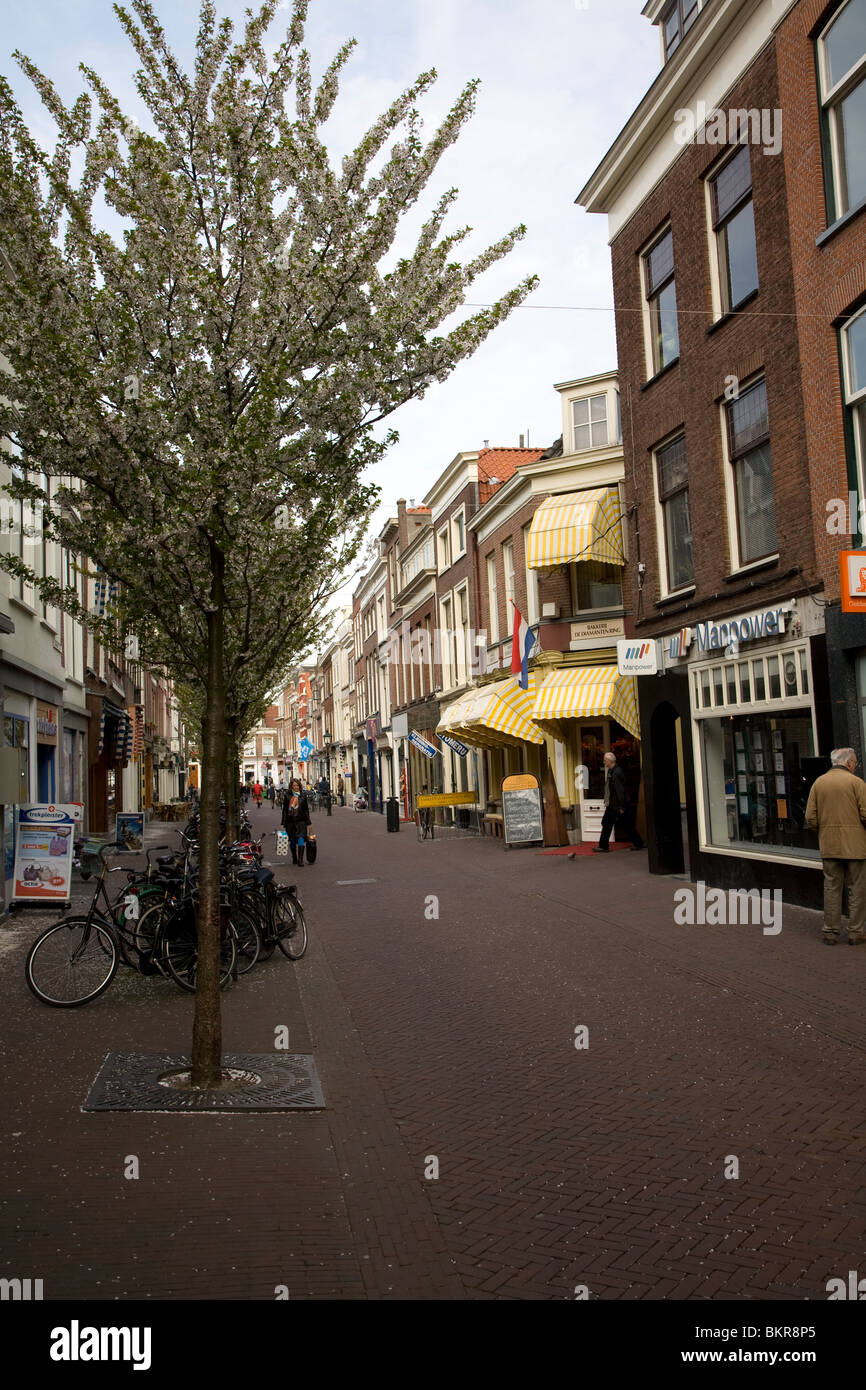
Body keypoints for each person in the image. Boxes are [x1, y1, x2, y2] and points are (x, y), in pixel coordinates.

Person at [804, 747, 866, 945]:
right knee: (857, 888)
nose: (855, 766)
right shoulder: (857, 783)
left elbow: (810, 817)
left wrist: (823, 833)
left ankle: (830, 932)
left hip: (829, 845)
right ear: (848, 763)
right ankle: (856, 932)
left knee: (831, 887)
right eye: (855, 763)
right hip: (856, 846)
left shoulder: (819, 783)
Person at [593, 751, 644, 852]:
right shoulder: (612, 771)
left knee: (610, 823)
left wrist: (622, 807)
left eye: (605, 760)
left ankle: (603, 846)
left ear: (610, 761)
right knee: (620, 824)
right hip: (614, 804)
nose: (604, 762)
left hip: (616, 805)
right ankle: (638, 843)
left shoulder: (616, 773)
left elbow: (620, 791)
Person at [281, 776, 311, 866]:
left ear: (299, 786)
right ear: (291, 786)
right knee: (293, 841)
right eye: (294, 785)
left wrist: (309, 822)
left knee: (301, 839)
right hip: (290, 822)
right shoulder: (287, 795)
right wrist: (283, 823)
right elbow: (285, 810)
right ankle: (294, 856)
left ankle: (300, 860)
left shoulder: (303, 795)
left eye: (297, 785)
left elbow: (306, 810)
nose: (296, 787)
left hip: (301, 821)